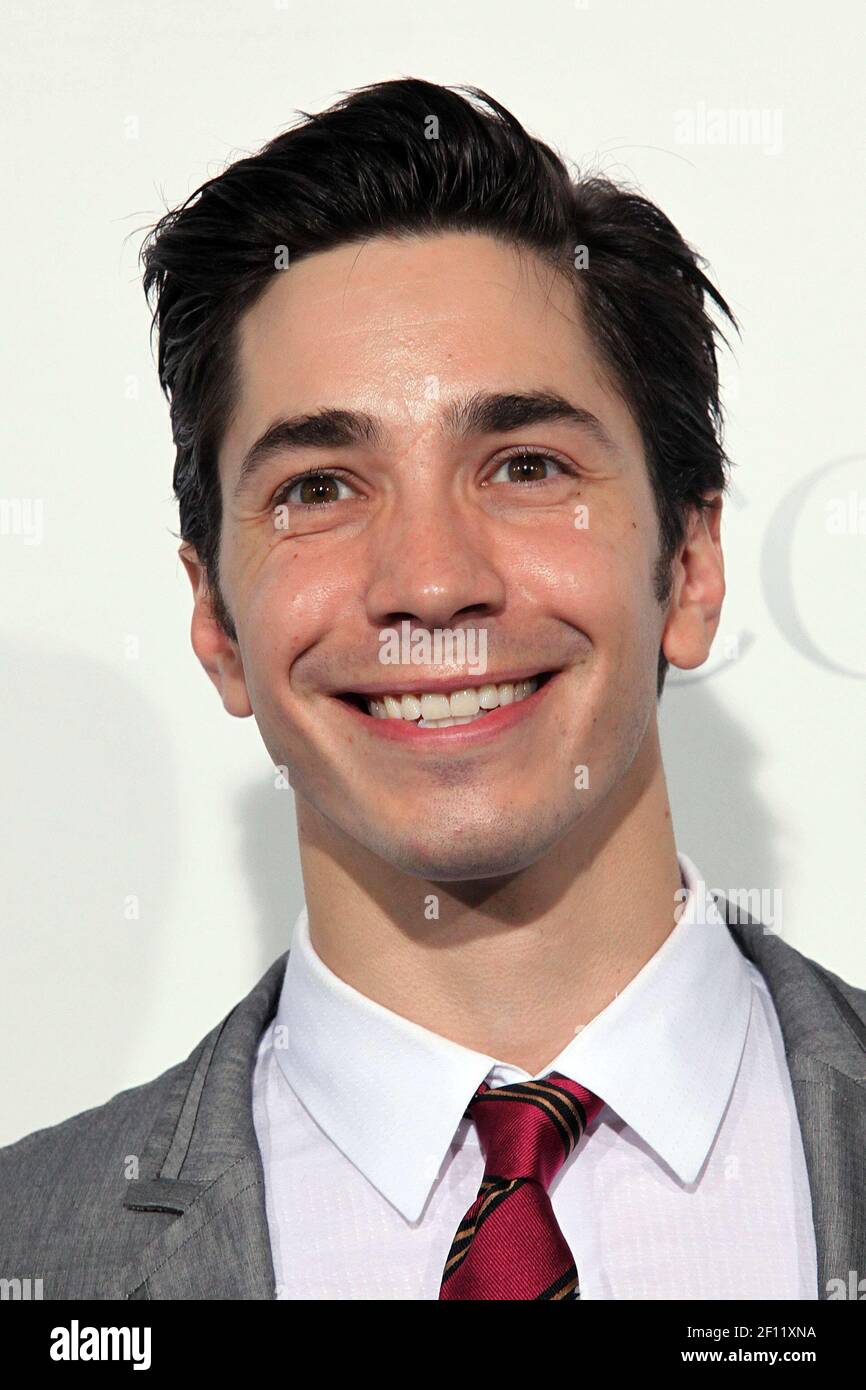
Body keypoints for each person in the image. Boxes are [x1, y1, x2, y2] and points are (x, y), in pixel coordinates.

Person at [1, 77, 863, 1301]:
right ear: (217, 623)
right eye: (319, 486)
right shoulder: (30, 1257)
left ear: (687, 565)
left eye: (522, 464)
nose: (431, 581)